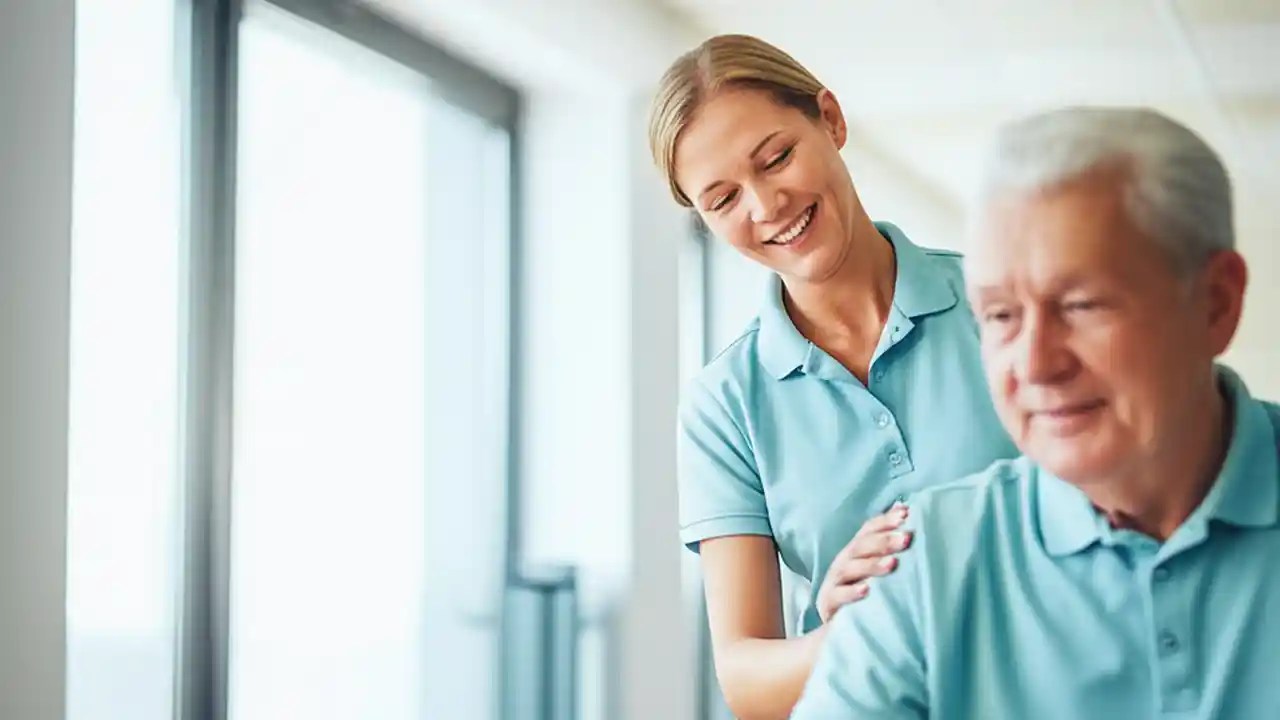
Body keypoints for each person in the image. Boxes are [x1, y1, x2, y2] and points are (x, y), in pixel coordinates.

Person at [792, 106, 1279, 719]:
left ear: (1214, 304)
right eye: (1000, 315)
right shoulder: (920, 565)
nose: (1037, 364)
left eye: (1081, 305)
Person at [649, 34, 1018, 718]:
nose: (766, 207)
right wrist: (858, 632)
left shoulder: (1005, 303)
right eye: (723, 199)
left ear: (831, 120)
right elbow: (748, 681)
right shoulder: (723, 405)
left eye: (777, 158)